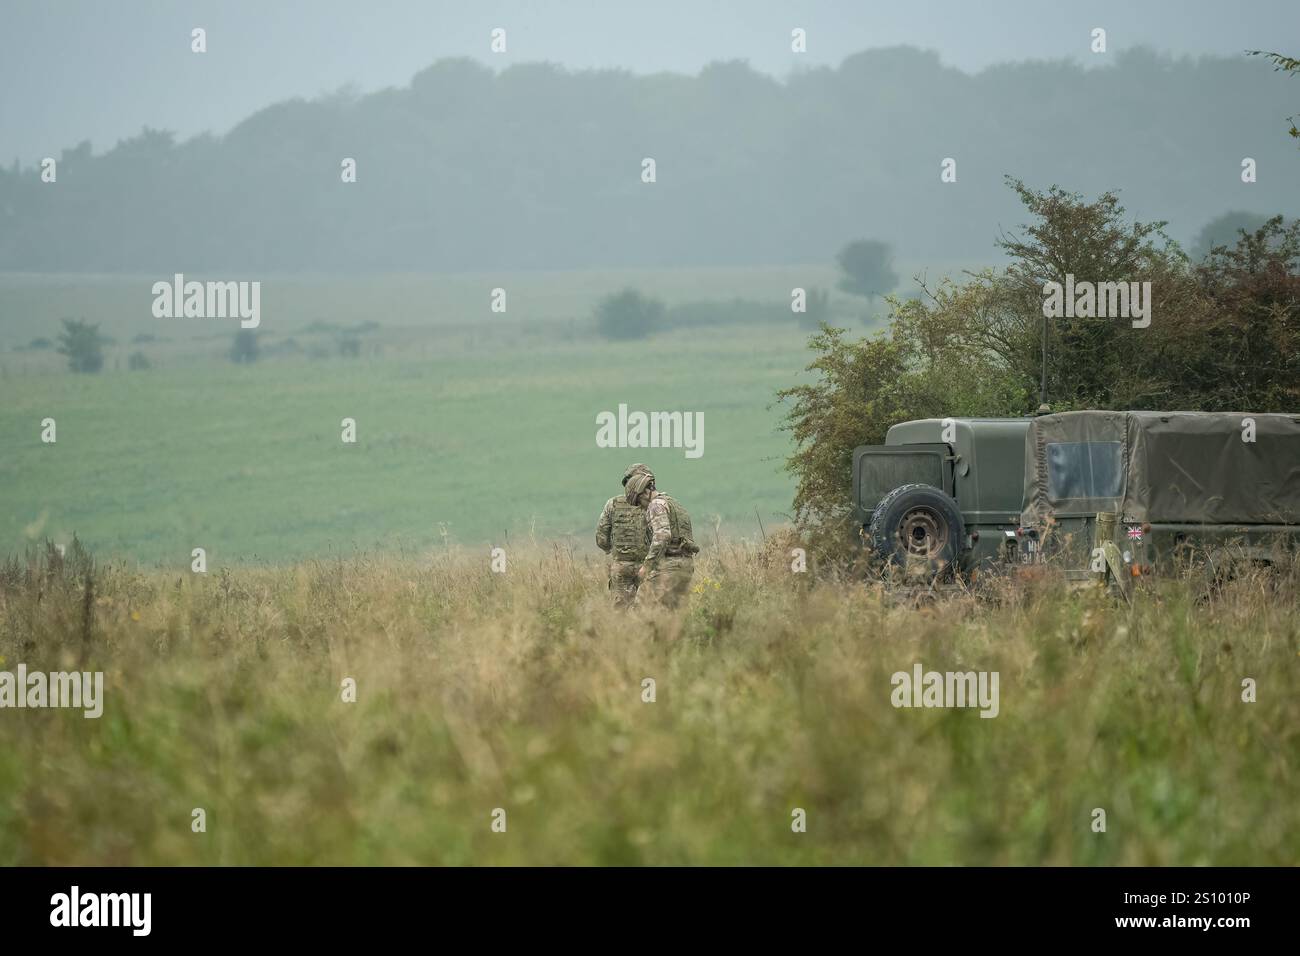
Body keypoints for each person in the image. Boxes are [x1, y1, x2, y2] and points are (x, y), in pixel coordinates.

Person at [625, 472, 699, 607]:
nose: (640, 506)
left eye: (638, 501)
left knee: (640, 612)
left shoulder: (656, 505)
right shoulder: (674, 503)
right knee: (671, 616)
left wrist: (646, 568)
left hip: (668, 568)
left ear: (646, 491)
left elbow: (663, 536)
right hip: (686, 566)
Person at [596, 463, 653, 607]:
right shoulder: (656, 504)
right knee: (648, 611)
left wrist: (614, 552)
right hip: (647, 566)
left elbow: (601, 539)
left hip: (621, 566)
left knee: (620, 612)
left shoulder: (612, 504)